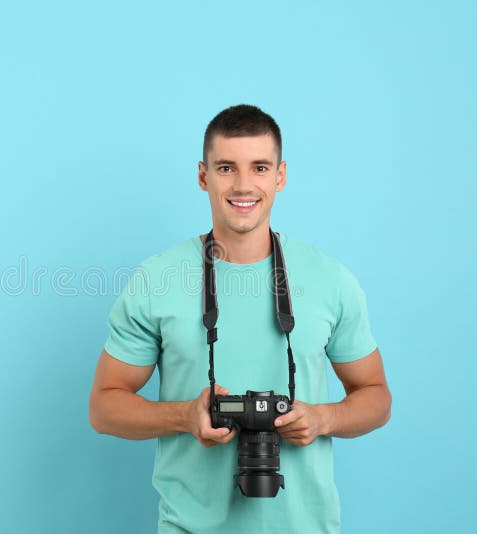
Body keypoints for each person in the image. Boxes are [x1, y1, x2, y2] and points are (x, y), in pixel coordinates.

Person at [88, 104, 391, 533]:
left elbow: (376, 396)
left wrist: (324, 419)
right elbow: (103, 406)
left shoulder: (330, 279)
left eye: (260, 167)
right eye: (226, 167)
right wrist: (184, 416)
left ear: (281, 176)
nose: (244, 184)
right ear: (203, 176)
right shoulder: (157, 279)